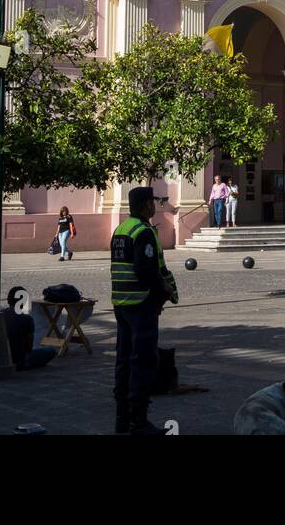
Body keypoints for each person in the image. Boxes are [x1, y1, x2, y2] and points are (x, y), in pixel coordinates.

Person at [110, 186, 179, 436]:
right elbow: (146, 270)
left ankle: (122, 419)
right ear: (146, 205)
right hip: (141, 304)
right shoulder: (144, 232)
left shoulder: (121, 230)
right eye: (154, 201)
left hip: (121, 303)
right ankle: (138, 421)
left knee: (123, 360)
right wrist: (164, 292)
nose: (155, 206)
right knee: (143, 361)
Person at [1, 287, 56, 371]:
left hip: (2, 357)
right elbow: (29, 347)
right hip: (20, 360)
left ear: (8, 300)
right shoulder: (27, 319)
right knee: (51, 351)